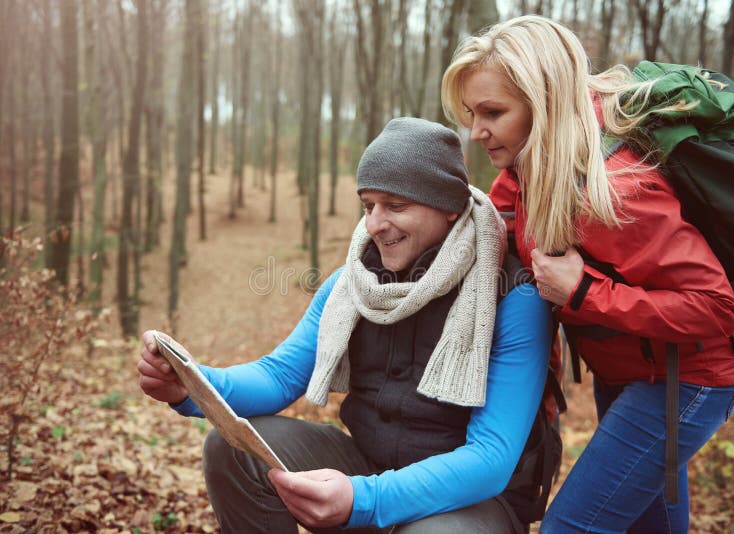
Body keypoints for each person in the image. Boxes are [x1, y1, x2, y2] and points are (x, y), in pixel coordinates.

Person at [137, 117, 554, 533]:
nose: (374, 224)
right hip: (365, 467)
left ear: (448, 207)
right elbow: (280, 375)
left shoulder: (511, 298)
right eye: (369, 205)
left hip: (469, 503)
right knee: (232, 451)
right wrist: (190, 385)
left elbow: (490, 458)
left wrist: (363, 500)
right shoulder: (352, 284)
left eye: (396, 205)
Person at [441, 15, 734, 534]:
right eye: (472, 113)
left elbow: (717, 309)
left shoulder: (617, 191)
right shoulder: (530, 167)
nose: (477, 131)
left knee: (574, 526)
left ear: (543, 103)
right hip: (625, 371)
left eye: (493, 112)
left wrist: (584, 290)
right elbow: (493, 232)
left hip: (688, 379)